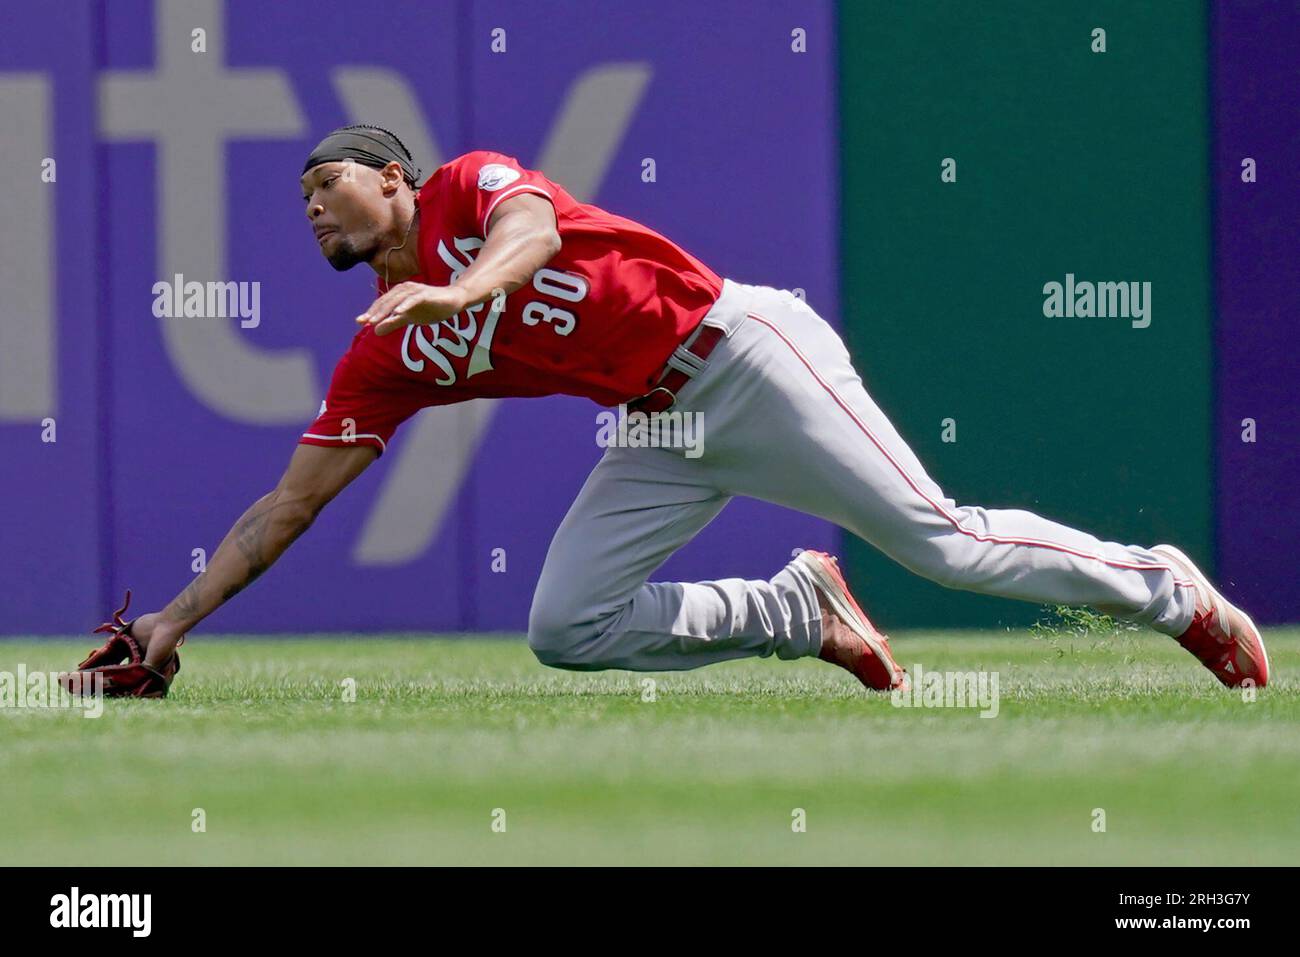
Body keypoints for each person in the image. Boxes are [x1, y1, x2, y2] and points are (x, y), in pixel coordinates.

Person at [61, 125, 1269, 699]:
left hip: (742, 349)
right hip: (659, 423)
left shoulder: (466, 194)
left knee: (939, 544)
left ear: (393, 178)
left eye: (327, 184)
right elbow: (292, 504)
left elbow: (529, 239)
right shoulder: (387, 348)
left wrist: (458, 283)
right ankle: (795, 610)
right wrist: (176, 619)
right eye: (303, 201)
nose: (314, 208)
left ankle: (1171, 591)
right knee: (565, 625)